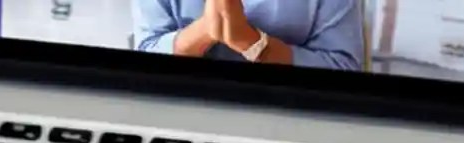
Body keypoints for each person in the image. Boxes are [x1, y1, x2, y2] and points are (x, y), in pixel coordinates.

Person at [133, 0, 364, 71]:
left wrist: (252, 43)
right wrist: (204, 30)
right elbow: (144, 53)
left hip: (290, 112)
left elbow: (344, 68)